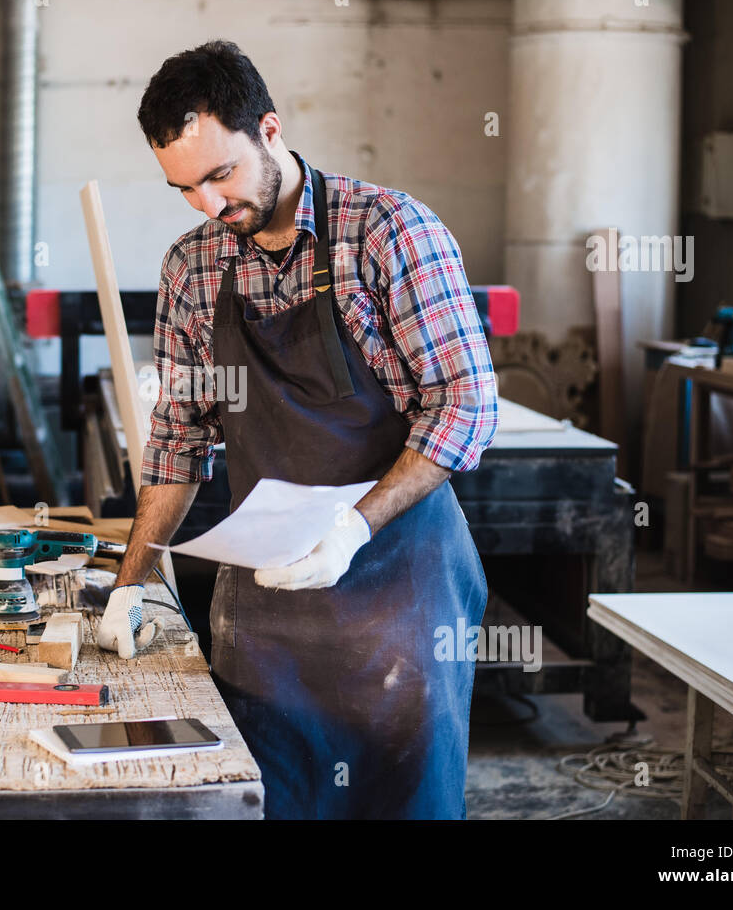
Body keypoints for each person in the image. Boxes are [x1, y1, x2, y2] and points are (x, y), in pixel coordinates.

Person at [96, 41, 497, 819]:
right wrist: (133, 578)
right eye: (185, 187)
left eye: (221, 175)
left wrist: (353, 528)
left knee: (403, 799)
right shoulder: (193, 267)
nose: (210, 205)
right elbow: (179, 440)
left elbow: (466, 406)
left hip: (400, 596)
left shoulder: (386, 232)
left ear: (270, 130)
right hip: (269, 612)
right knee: (267, 800)